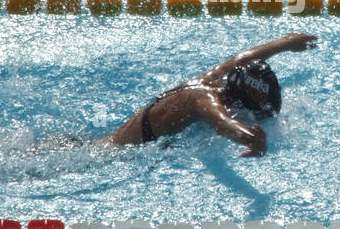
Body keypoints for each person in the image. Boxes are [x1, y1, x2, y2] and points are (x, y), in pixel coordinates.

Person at [101, 32, 316, 156]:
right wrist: (250, 138)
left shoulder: (220, 76)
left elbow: (244, 58)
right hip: (111, 156)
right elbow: (221, 122)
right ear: (239, 102)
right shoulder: (202, 99)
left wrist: (288, 42)